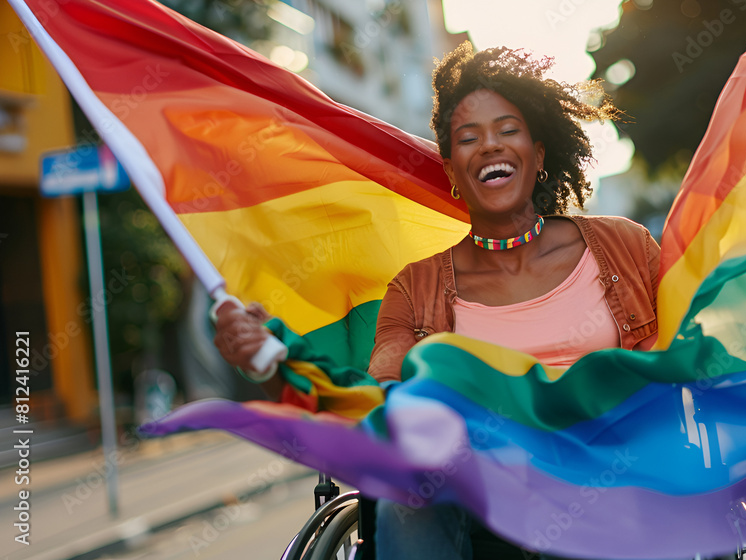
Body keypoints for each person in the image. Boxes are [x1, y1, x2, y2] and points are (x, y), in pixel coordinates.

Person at [214, 41, 660, 560]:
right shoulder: (415, 288)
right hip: (478, 494)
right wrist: (274, 359)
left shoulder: (624, 247)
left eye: (507, 130)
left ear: (539, 154)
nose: (490, 146)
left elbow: (676, 357)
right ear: (452, 170)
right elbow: (377, 398)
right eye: (469, 138)